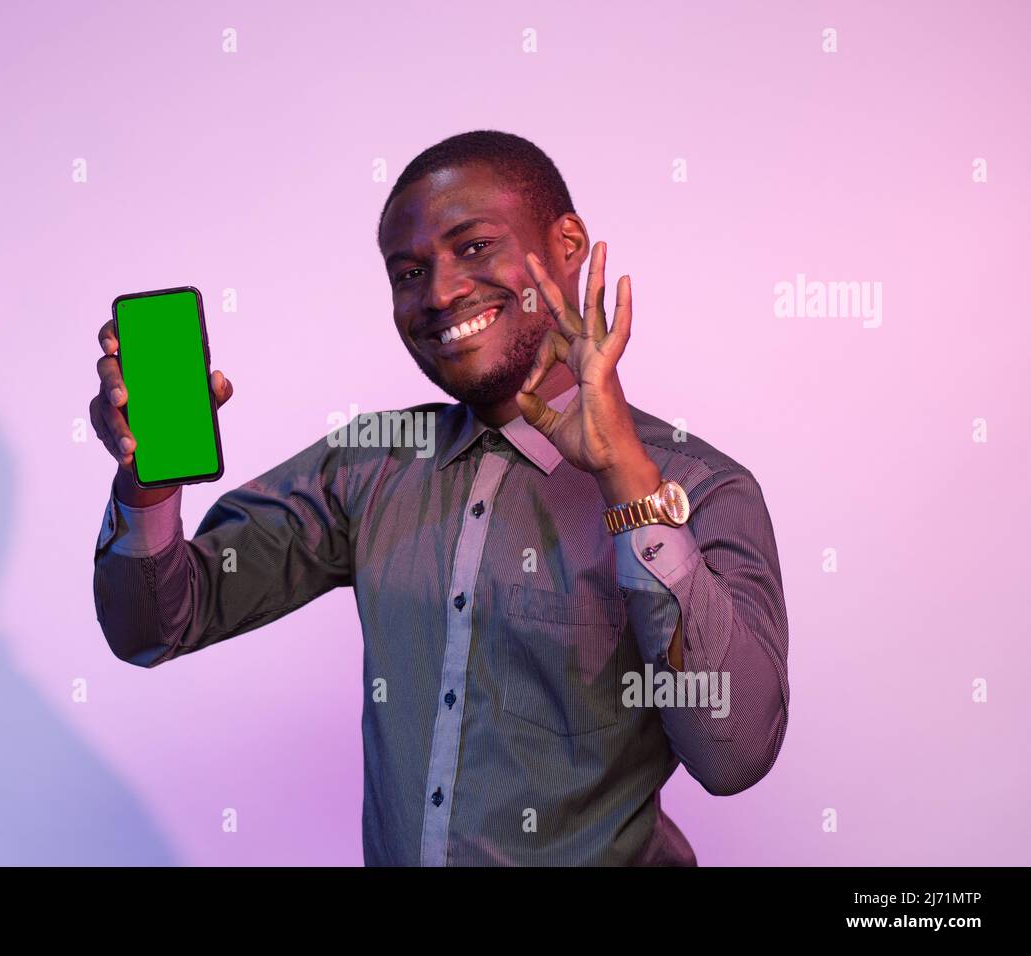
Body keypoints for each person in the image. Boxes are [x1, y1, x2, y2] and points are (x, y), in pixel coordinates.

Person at [88, 130, 790, 866]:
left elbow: (733, 754)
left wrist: (625, 481)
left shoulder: (705, 489)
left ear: (568, 242)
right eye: (409, 272)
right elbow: (156, 625)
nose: (441, 293)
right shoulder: (370, 460)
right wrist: (150, 481)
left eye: (476, 246)